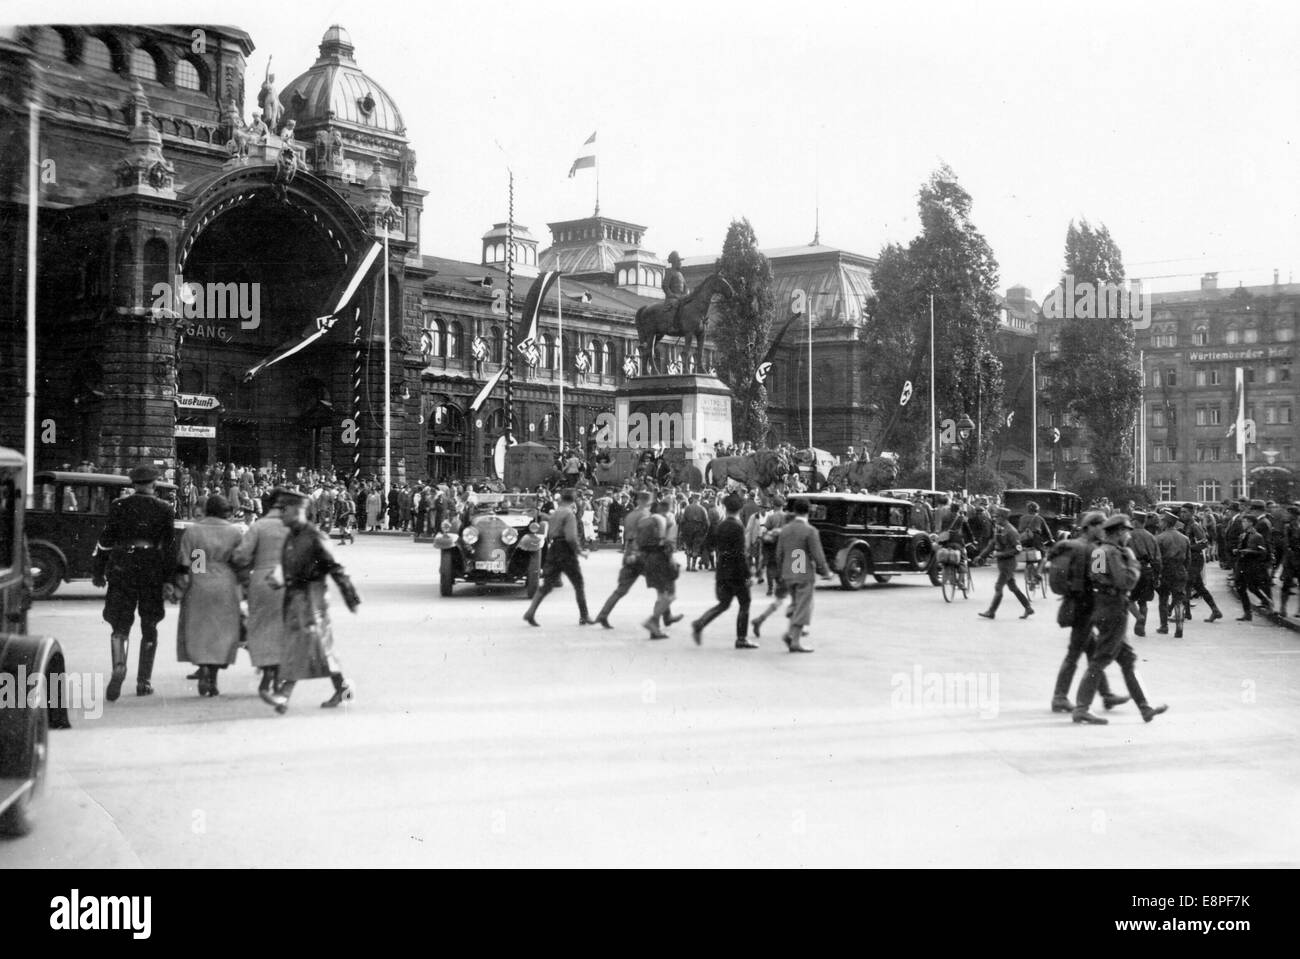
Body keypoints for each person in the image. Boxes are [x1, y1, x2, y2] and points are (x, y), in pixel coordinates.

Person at [264, 491, 361, 714]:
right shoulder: (292, 536)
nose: (280, 514)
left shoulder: (315, 536)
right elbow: (289, 565)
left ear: (298, 510)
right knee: (319, 647)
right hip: (295, 596)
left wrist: (350, 597)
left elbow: (336, 567)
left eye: (284, 509)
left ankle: (283, 694)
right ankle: (344, 689)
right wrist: (279, 580)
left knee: (300, 644)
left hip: (312, 597)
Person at [1072, 514, 1168, 725]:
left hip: (1102, 605)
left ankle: (1145, 708)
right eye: (1126, 532)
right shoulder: (1116, 553)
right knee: (1101, 660)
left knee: (1127, 660)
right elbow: (1125, 581)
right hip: (1115, 608)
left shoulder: (1099, 550)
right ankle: (1081, 708)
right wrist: (1133, 563)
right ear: (1118, 533)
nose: (1128, 536)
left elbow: (1095, 577)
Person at [91, 465, 176, 701]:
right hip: (151, 570)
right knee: (150, 625)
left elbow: (105, 541)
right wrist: (169, 580)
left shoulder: (119, 506)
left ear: (132, 485)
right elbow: (169, 548)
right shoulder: (165, 509)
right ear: (155, 484)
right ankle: (143, 681)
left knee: (120, 624)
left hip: (122, 568)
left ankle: (119, 667)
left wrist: (98, 572)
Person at [1048, 511, 1126, 714]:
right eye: (1101, 525)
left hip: (1076, 603)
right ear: (1090, 526)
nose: (1103, 530)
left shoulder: (1072, 545)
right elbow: (1098, 578)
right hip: (1086, 607)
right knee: (1075, 653)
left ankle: (1106, 695)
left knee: (1093, 653)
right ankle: (1060, 697)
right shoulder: (1093, 549)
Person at [172, 494, 244, 697]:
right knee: (222, 634)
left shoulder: (195, 531)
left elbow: (194, 563)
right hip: (226, 584)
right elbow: (239, 561)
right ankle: (213, 678)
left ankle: (202, 667)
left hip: (200, 583)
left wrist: (181, 587)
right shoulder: (234, 532)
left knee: (201, 632)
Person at [232, 488, 292, 705]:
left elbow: (241, 556)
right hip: (288, 582)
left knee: (263, 628)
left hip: (262, 582)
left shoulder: (258, 527)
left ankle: (267, 675)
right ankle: (279, 677)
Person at [690, 493, 758, 649]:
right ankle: (741, 638)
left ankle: (700, 623)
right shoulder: (738, 526)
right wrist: (749, 576)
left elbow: (712, 543)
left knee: (724, 603)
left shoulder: (721, 525)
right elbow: (740, 554)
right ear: (740, 509)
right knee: (745, 603)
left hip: (723, 569)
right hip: (737, 574)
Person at [523, 489, 591, 626]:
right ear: (573, 500)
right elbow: (571, 537)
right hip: (565, 550)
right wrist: (580, 551)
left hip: (553, 549)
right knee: (578, 584)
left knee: (547, 585)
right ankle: (584, 615)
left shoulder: (555, 514)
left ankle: (530, 612)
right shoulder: (569, 514)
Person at [774, 497, 830, 652]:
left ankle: (791, 632)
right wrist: (826, 571)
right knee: (804, 606)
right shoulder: (811, 531)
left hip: (788, 573)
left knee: (795, 603)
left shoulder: (785, 529)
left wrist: (780, 573)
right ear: (809, 511)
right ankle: (794, 640)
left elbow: (779, 554)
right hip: (804, 574)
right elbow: (818, 555)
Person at [593, 491, 653, 628]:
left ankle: (603, 615)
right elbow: (641, 537)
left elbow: (628, 535)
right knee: (662, 585)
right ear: (646, 502)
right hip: (640, 555)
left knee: (621, 590)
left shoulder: (631, 515)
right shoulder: (645, 515)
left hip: (629, 552)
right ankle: (663, 618)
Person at [977, 507, 1034, 620]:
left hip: (1008, 563)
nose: (995, 518)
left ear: (1003, 517)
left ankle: (991, 611)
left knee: (998, 586)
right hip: (1002, 563)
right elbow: (992, 544)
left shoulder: (1011, 531)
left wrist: (1000, 554)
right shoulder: (999, 528)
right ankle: (1028, 608)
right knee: (1013, 587)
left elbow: (1017, 549)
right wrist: (981, 555)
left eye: (997, 516)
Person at [637, 498, 679, 639]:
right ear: (669, 508)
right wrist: (672, 561)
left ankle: (655, 630)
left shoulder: (649, 520)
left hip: (649, 560)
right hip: (661, 560)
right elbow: (668, 544)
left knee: (661, 595)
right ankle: (653, 620)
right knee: (670, 595)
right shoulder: (668, 521)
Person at [1180, 503, 1223, 623]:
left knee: (1187, 585)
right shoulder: (1187, 525)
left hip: (1195, 560)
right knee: (1199, 587)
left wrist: (1188, 547)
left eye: (1185, 512)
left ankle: (1184, 613)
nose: (1182, 514)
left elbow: (1204, 543)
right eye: (1181, 512)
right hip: (1190, 559)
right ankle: (1214, 610)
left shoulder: (1194, 526)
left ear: (1192, 513)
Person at [1126, 510, 1161, 637]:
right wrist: (1157, 576)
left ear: (1134, 521)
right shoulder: (1151, 537)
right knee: (1143, 601)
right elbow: (1157, 559)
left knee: (1128, 599)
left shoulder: (1127, 535)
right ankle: (1142, 627)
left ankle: (1138, 617)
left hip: (1132, 570)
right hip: (1147, 570)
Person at [1154, 511, 1190, 636]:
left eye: (1161, 521)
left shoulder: (1159, 538)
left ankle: (1164, 626)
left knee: (1163, 599)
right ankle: (1179, 627)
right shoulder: (1185, 538)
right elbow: (1188, 559)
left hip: (1165, 571)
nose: (1159, 523)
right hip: (1180, 570)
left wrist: (1157, 574)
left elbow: (1157, 559)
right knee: (1179, 599)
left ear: (1166, 523)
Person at [1234, 512, 1273, 620]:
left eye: (1244, 521)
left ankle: (1266, 601)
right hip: (1241, 564)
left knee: (1252, 587)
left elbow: (1262, 552)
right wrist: (1238, 551)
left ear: (1251, 523)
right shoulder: (1243, 535)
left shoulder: (1257, 536)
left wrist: (1247, 551)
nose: (1242, 523)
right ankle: (1247, 613)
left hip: (1251, 565)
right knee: (1240, 588)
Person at [1278, 505, 1300, 617]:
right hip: (1291, 560)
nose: (1286, 515)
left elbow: (1286, 544)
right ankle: (1283, 608)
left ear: (1293, 515)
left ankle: (1296, 610)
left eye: (1288, 513)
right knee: (1286, 585)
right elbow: (1286, 545)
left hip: (1294, 559)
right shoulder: (1288, 526)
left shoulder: (1291, 526)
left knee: (1287, 585)